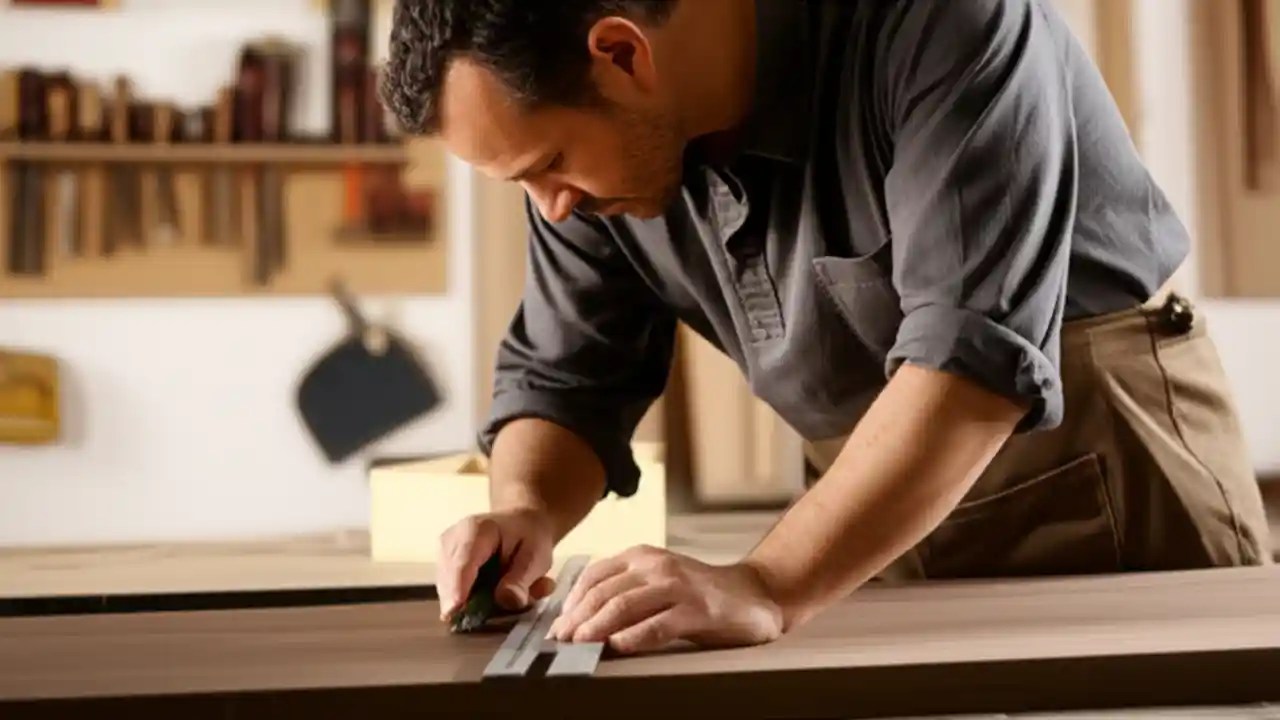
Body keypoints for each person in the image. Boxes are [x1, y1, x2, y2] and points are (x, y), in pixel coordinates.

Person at [379, 0, 1274, 655]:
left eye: (548, 165)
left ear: (621, 53)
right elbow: (567, 378)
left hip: (1109, 483)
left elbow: (972, 365)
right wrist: (525, 509)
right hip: (862, 537)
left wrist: (768, 582)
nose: (552, 206)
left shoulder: (941, 25)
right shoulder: (597, 166)